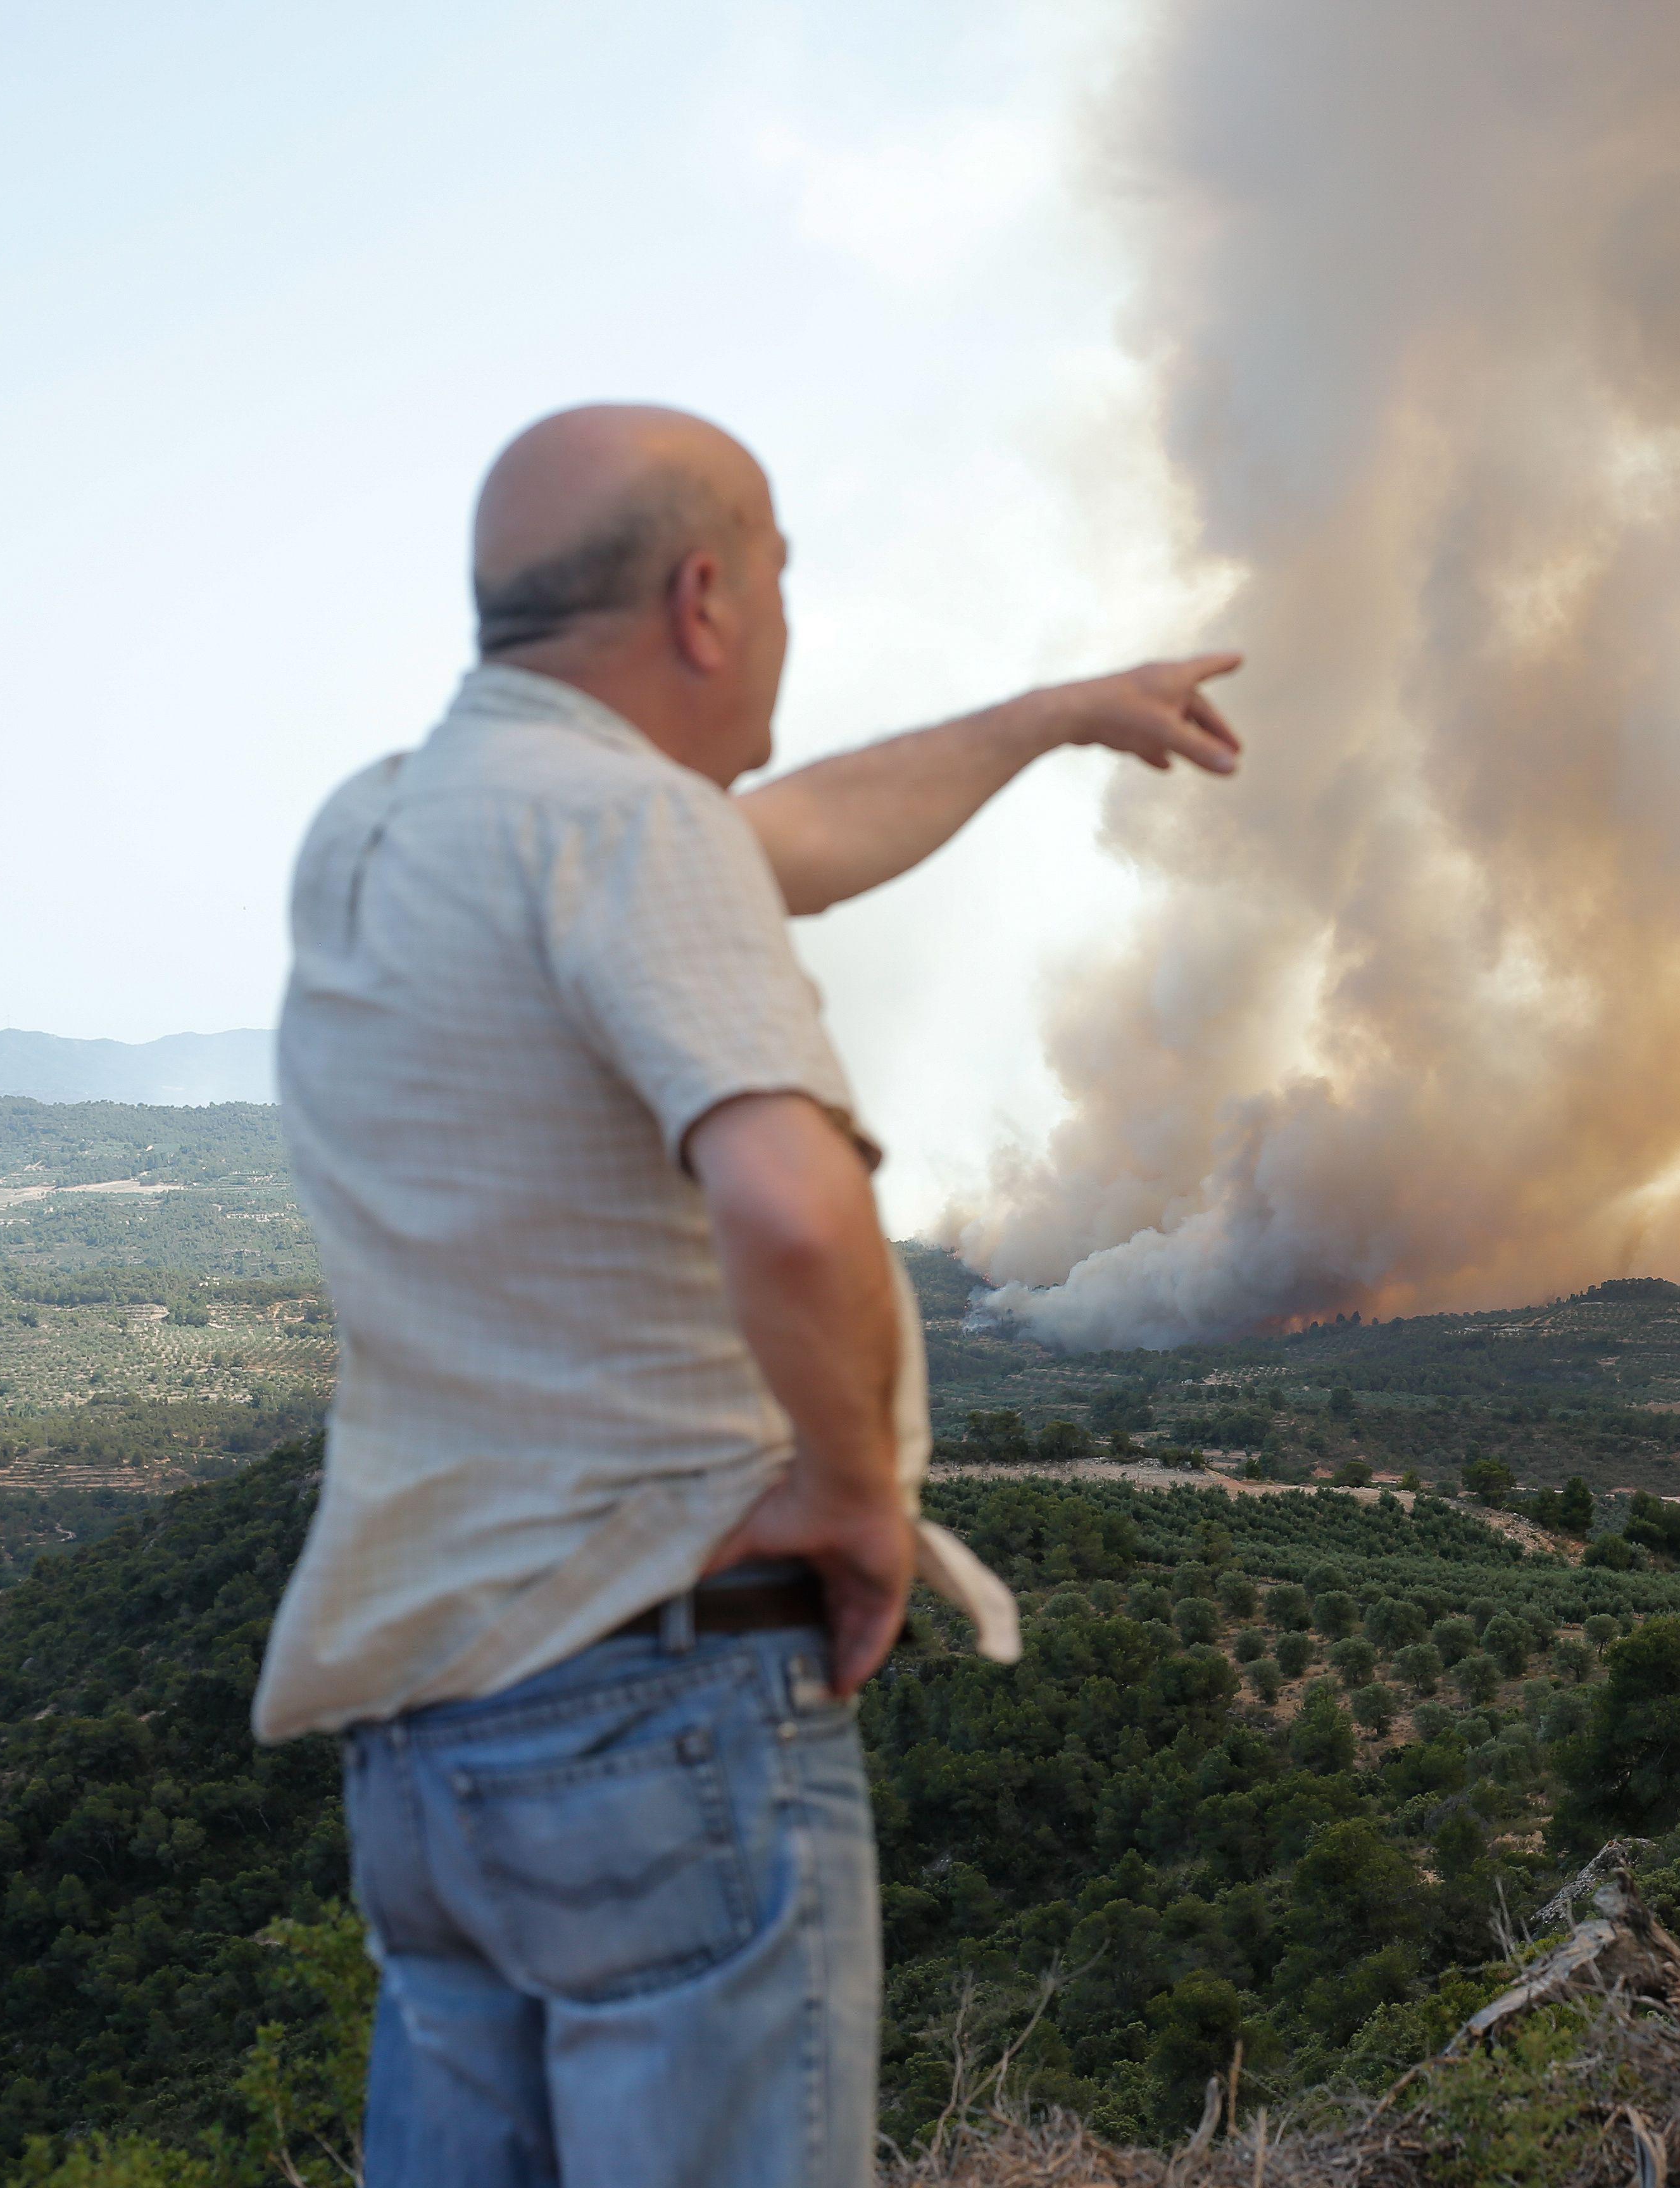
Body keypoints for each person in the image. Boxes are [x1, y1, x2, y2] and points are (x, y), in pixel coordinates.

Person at [253, 403, 1243, 2187]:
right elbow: (792, 1212)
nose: (790, 616)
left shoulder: (383, 832)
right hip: (655, 1714)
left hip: (428, 1746)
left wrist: (1048, 718)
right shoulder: (630, 836)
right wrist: (861, 1501)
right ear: (707, 598)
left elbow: (762, 841)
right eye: (783, 574)